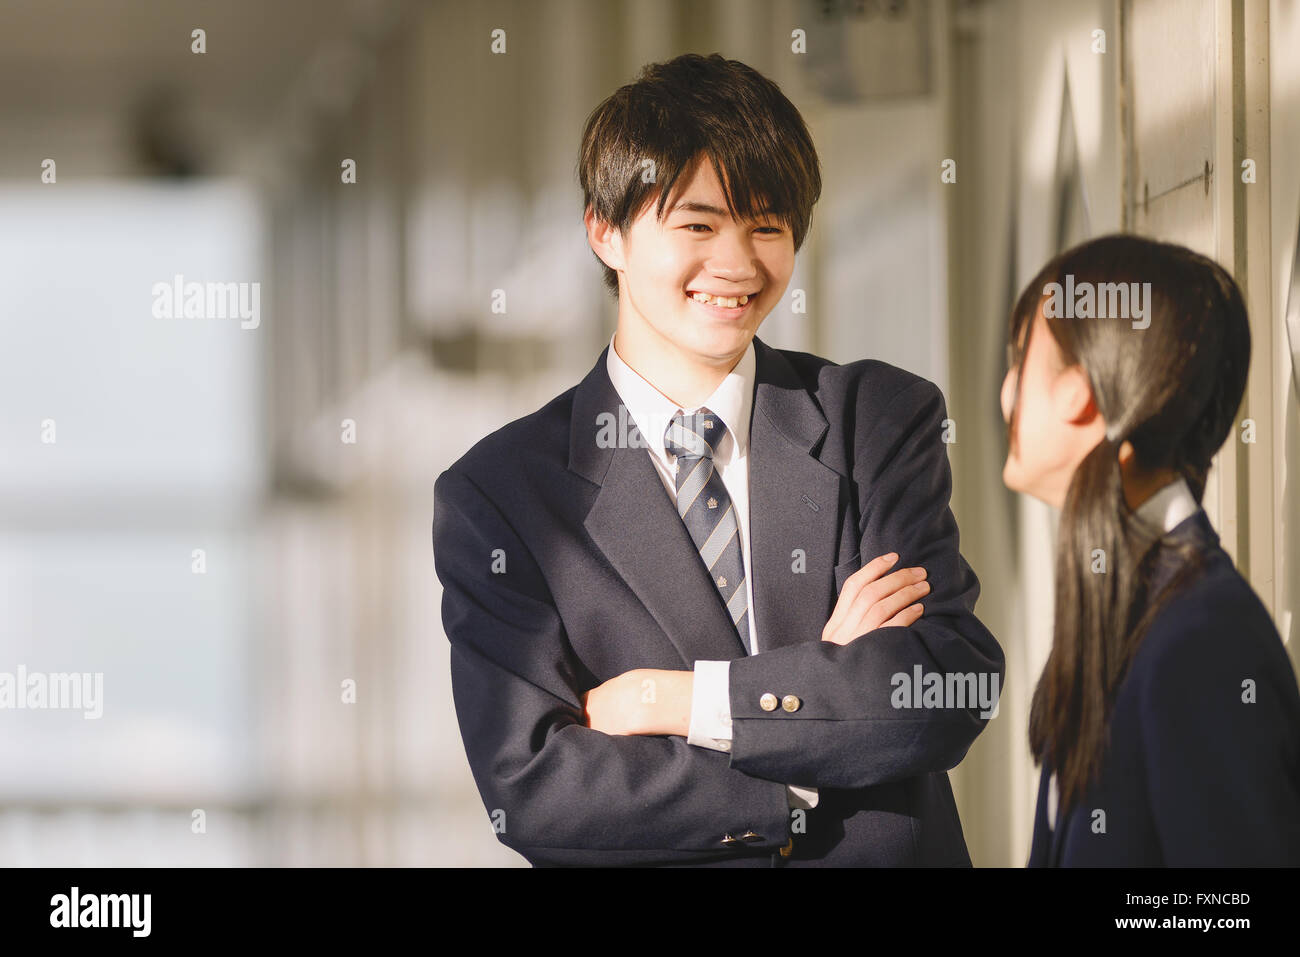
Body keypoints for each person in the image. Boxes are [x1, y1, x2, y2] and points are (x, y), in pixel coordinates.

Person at [433, 53, 1003, 867]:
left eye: (766, 226)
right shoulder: (501, 495)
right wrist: (814, 720)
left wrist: (679, 700)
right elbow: (537, 793)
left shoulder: (873, 420)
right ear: (607, 230)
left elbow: (945, 689)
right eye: (698, 225)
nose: (737, 266)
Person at [1000, 234, 1300, 865]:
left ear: (1080, 390)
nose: (1005, 393)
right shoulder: (1132, 603)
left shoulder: (1202, 637)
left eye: (1021, 358)